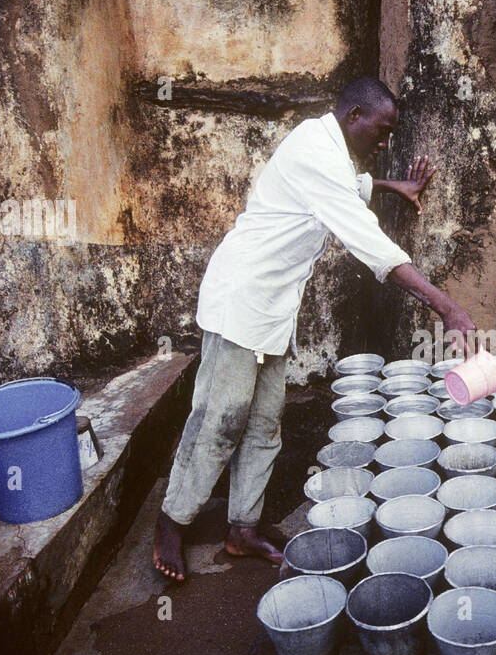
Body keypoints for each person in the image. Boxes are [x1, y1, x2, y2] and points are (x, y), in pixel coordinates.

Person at [153, 77, 476, 581]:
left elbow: (348, 188)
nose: (385, 141)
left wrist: (395, 187)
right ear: (354, 116)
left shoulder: (328, 150)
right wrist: (446, 307)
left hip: (273, 308)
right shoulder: (314, 150)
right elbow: (365, 238)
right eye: (382, 130)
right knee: (219, 418)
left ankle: (242, 529)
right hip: (240, 299)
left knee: (263, 423)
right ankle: (171, 522)